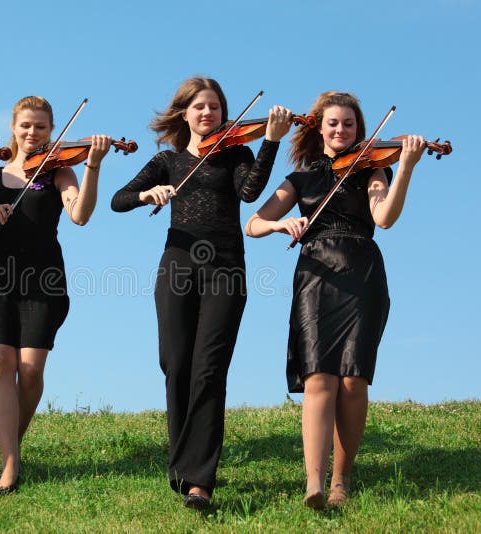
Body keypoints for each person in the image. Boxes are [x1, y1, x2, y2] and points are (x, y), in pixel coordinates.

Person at [111, 77, 291, 509]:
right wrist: (145, 194)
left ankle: (199, 480)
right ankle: (181, 464)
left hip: (225, 267)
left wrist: (270, 141)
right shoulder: (168, 160)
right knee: (176, 364)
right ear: (184, 113)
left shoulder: (237, 153)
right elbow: (118, 199)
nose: (207, 113)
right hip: (178, 265)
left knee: (209, 369)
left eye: (214, 107)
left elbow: (250, 192)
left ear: (223, 113)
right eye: (199, 106)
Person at [244, 91, 426, 509]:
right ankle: (314, 482)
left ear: (359, 129)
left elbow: (384, 218)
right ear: (319, 128)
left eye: (348, 123)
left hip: (362, 272)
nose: (341, 130)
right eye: (333, 123)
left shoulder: (372, 169)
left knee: (352, 378)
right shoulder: (302, 178)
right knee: (318, 377)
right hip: (316, 275)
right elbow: (253, 222)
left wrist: (406, 168)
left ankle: (341, 481)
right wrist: (279, 226)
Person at [0, 96, 111, 495]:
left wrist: (93, 165)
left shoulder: (59, 172)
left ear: (51, 131)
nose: (33, 133)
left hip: (43, 278)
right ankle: (10, 464)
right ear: (14, 128)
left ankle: (11, 445)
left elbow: (80, 215)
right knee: (1, 363)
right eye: (26, 125)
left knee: (31, 369)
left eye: (41, 127)